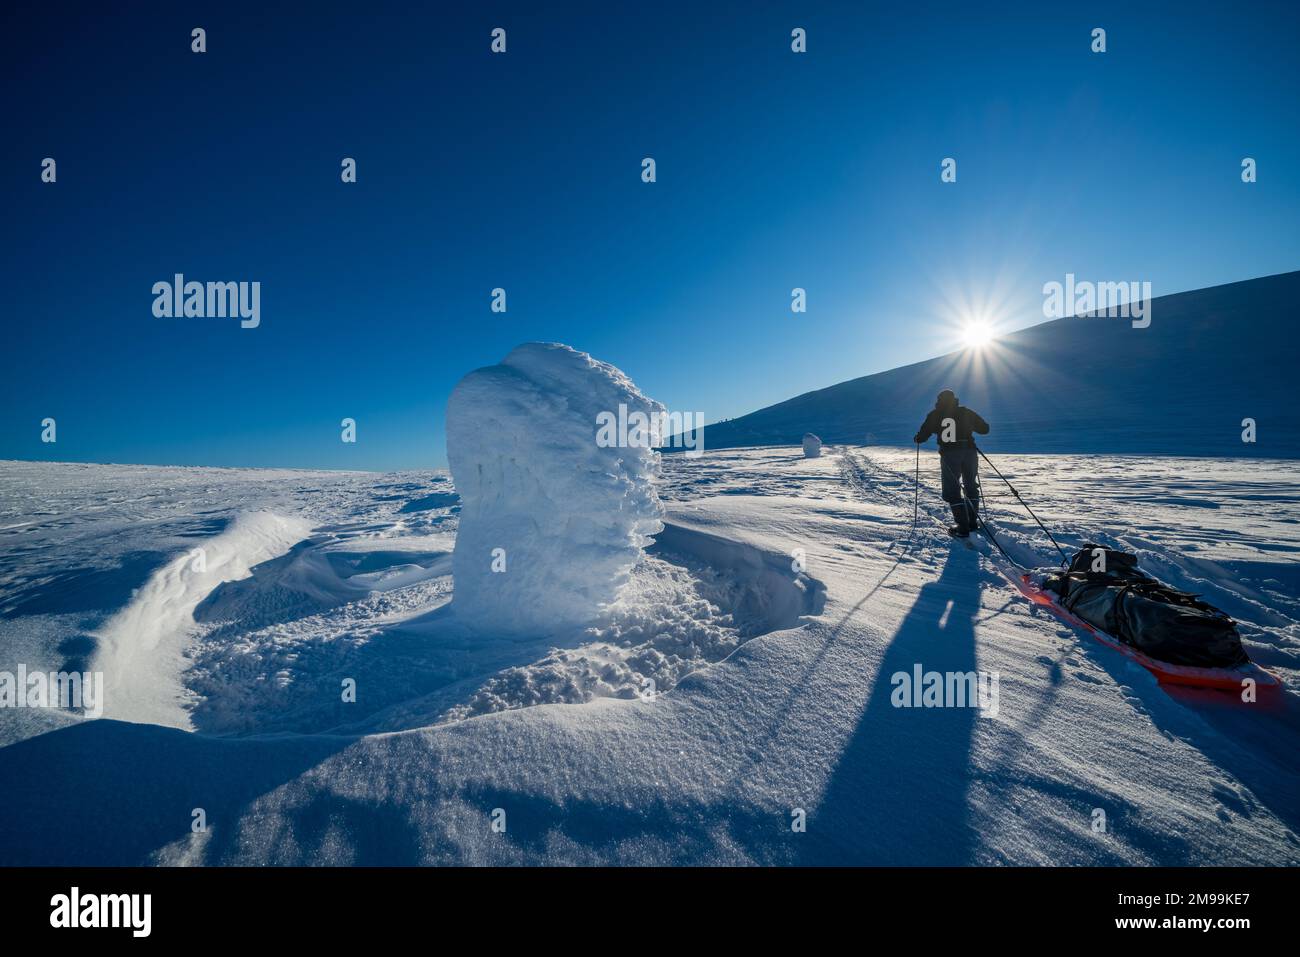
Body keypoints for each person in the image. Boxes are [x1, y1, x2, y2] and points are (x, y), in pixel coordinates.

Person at [914, 390, 990, 538]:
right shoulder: (965, 412)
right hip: (969, 451)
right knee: (970, 485)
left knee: (952, 488)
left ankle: (962, 527)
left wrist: (918, 438)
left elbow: (922, 436)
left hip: (950, 453)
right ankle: (972, 522)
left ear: (939, 400)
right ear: (954, 399)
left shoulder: (935, 414)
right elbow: (985, 429)